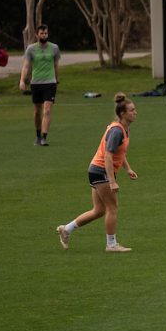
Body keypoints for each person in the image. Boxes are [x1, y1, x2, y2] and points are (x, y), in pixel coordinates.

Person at [58, 93, 138, 253]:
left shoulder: (123, 129)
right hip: (101, 171)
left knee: (99, 210)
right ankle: (111, 244)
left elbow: (119, 153)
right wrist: (112, 180)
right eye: (132, 110)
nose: (135, 113)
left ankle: (66, 229)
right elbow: (108, 155)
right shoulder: (117, 131)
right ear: (123, 113)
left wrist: (127, 168)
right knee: (113, 207)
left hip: (96, 170)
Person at [18, 22, 61, 147]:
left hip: (50, 83)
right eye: (42, 33)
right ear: (37, 35)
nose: (44, 35)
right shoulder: (31, 49)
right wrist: (22, 80)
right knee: (37, 111)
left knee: (47, 110)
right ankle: (37, 135)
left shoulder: (54, 48)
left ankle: (44, 137)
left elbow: (56, 65)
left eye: (46, 33)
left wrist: (57, 80)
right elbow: (26, 66)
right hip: (36, 83)